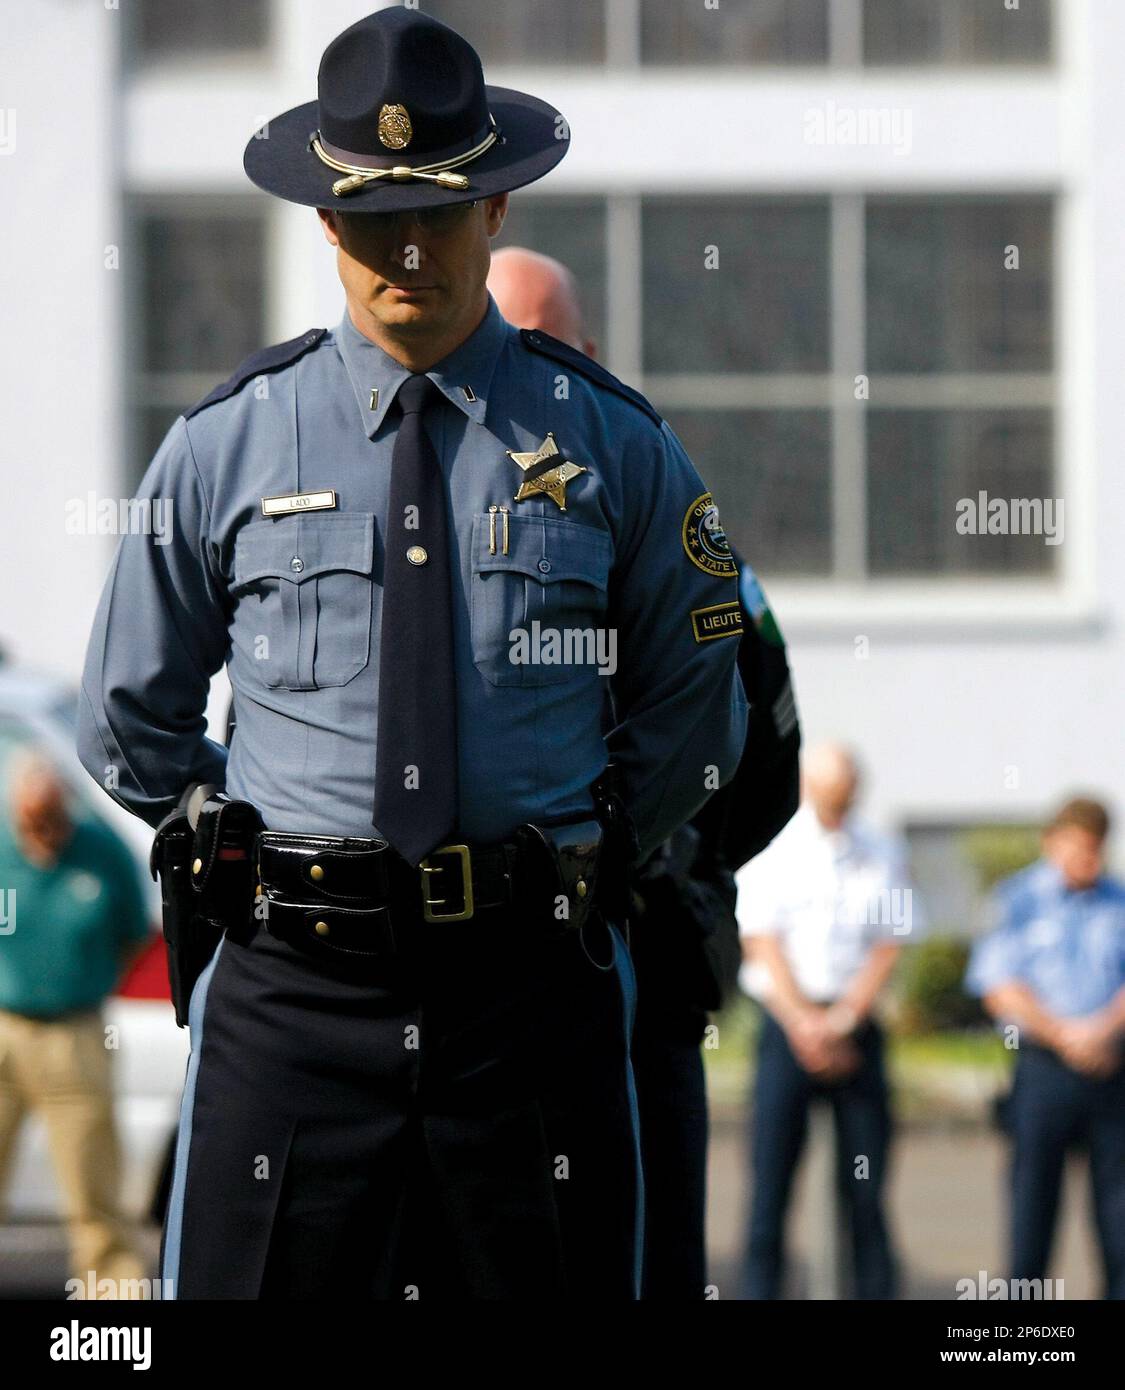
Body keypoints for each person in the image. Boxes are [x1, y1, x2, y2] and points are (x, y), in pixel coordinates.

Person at [76, 8, 748, 1300]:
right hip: (293, 1003)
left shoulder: (611, 445)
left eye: (436, 211)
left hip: (526, 1001)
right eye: (371, 213)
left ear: (495, 208)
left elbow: (695, 691)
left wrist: (599, 832)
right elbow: (124, 711)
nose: (404, 247)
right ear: (323, 221)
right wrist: (234, 831)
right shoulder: (227, 443)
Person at [487, 247, 800, 1299]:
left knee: (653, 1259)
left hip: (646, 964)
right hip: (486, 981)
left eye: (547, 341)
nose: (522, 368)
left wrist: (663, 852)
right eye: (502, 341)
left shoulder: (667, 517)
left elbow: (765, 768)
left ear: (588, 354)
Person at [737, 743, 917, 1299]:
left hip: (854, 1029)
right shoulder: (774, 847)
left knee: (865, 1191)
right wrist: (804, 1024)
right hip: (786, 1029)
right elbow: (762, 942)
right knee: (770, 1189)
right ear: (809, 786)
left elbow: (889, 945)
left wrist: (842, 1021)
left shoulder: (881, 851)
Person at [0, 749, 150, 1296]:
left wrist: (89, 979)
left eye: (48, 817)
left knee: (93, 1186)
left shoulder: (99, 849)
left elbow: (135, 930)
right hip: (4, 1026)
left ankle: (112, 1298)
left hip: (77, 1032)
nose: (39, 830)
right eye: (29, 820)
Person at [966, 796, 1125, 1299]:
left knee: (1119, 1217)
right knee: (1032, 1211)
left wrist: (1100, 1031)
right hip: (1043, 1070)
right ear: (1052, 842)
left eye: (1096, 851)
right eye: (1079, 850)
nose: (1089, 862)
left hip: (1111, 1068)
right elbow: (998, 985)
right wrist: (1066, 1036)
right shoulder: (1017, 899)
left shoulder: (1117, 899)